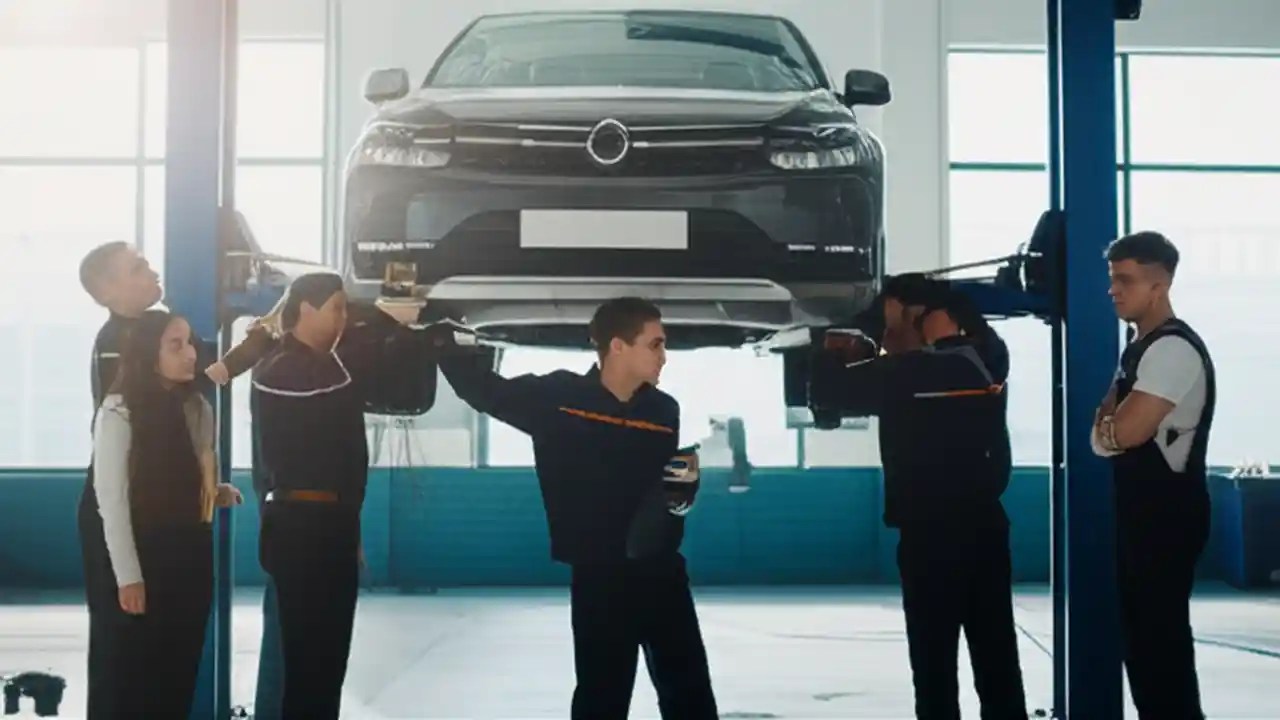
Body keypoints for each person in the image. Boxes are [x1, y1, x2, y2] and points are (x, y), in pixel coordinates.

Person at [435, 296, 717, 720]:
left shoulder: (664, 410)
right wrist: (442, 342)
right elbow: (484, 391)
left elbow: (663, 492)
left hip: (662, 573)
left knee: (690, 692)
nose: (664, 356)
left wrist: (680, 493)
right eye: (655, 344)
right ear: (618, 346)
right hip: (599, 577)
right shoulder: (557, 399)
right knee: (602, 696)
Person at [813, 278, 1027, 719]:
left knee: (933, 664)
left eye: (892, 317)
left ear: (924, 317)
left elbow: (831, 392)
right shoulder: (985, 357)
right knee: (995, 654)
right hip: (982, 528)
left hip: (931, 537)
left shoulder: (928, 369)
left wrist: (836, 352)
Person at [237, 272, 439, 719]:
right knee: (304, 658)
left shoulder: (327, 370)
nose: (343, 320)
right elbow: (342, 376)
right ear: (305, 309)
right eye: (337, 309)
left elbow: (344, 454)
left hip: (332, 526)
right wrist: (393, 324)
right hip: (297, 528)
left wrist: (352, 529)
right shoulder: (279, 367)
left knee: (329, 658)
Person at [83, 309, 243, 717]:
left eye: (190, 343)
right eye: (176, 345)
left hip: (190, 554)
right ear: (146, 353)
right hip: (144, 555)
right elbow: (111, 500)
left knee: (179, 673)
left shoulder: (197, 408)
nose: (191, 354)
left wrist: (213, 492)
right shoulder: (118, 411)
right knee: (137, 680)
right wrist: (129, 577)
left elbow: (190, 470)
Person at [1092, 231, 1214, 720]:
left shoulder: (1171, 352)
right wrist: (1110, 427)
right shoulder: (1139, 349)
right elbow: (1106, 430)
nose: (1112, 290)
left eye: (1125, 280)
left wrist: (1110, 427)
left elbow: (1125, 431)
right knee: (1143, 650)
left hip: (1168, 518)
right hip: (1142, 517)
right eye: (1112, 279)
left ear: (1158, 286)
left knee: (1160, 653)